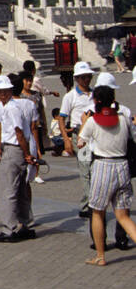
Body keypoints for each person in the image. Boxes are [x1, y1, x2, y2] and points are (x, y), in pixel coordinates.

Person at [75, 85, 136, 265]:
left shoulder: (93, 121)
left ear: (96, 101)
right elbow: (132, 137)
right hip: (123, 166)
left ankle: (100, 256)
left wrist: (85, 121)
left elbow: (80, 142)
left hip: (103, 165)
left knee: (97, 212)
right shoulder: (124, 119)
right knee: (123, 216)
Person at [0, 76, 34, 243]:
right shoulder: (10, 106)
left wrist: (26, 153)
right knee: (21, 189)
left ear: (10, 91)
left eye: (4, 91)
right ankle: (24, 224)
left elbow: (18, 132)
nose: (1, 94)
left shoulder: (11, 108)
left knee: (8, 190)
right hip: (15, 148)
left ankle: (9, 228)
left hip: (14, 148)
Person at [61, 62, 96, 215]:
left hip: (95, 135)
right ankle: (88, 203)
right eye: (83, 77)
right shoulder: (70, 96)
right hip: (80, 137)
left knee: (95, 168)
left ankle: (92, 200)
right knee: (85, 168)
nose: (86, 80)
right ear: (77, 79)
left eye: (88, 77)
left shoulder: (95, 94)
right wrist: (66, 139)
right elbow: (62, 118)